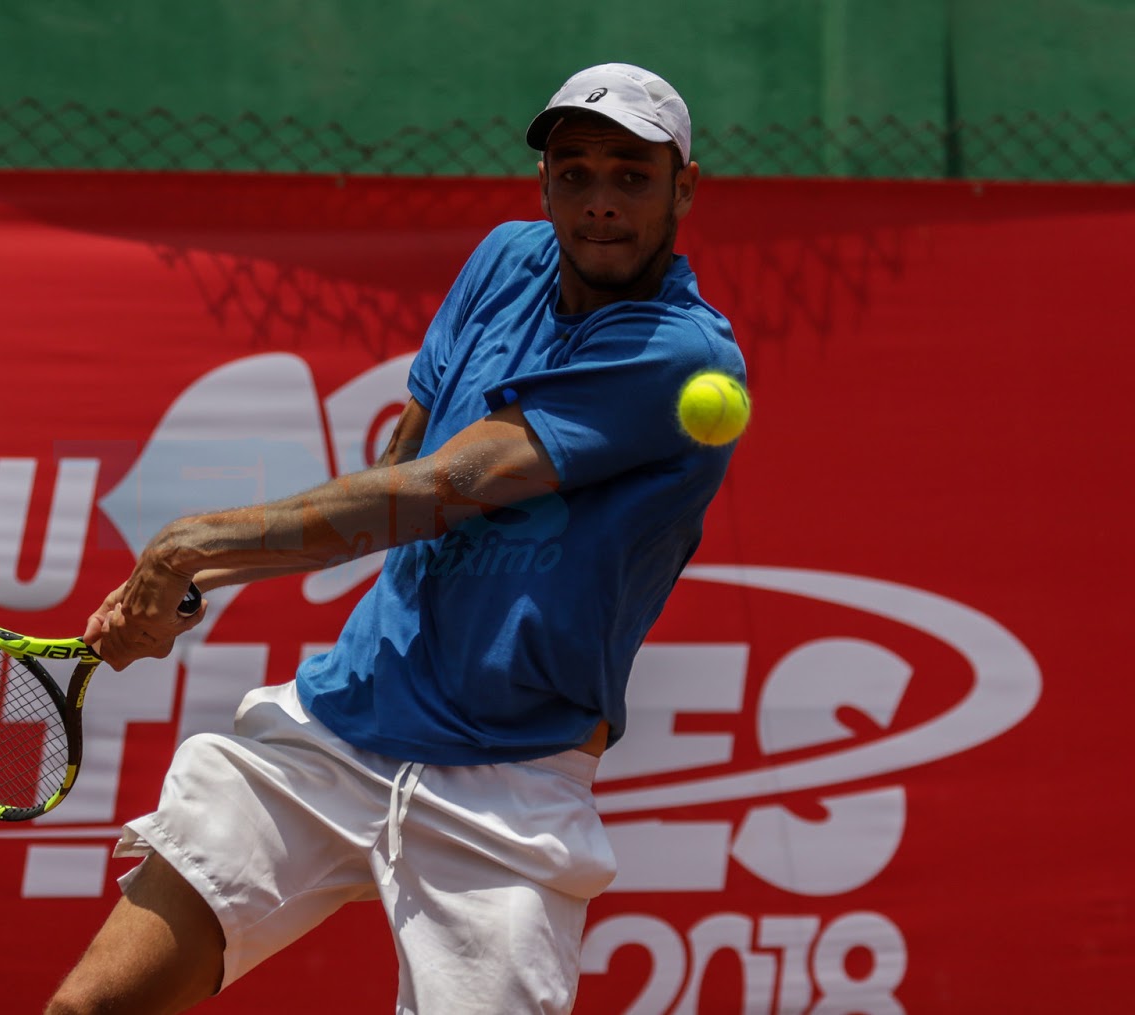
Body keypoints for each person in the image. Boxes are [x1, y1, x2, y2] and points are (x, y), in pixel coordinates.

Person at [46, 62, 746, 1015]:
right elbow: (403, 457)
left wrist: (185, 549)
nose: (601, 202)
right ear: (545, 185)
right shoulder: (507, 260)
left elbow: (442, 489)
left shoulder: (682, 354)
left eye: (632, 175)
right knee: (90, 1008)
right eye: (575, 173)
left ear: (685, 188)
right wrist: (198, 585)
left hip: (508, 784)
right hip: (342, 723)